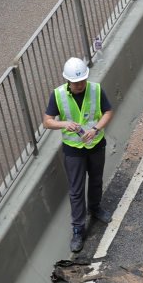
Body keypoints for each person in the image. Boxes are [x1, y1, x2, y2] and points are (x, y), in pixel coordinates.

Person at [44, 57, 115, 252]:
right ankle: (78, 229)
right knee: (76, 190)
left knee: (96, 180)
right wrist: (64, 123)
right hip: (73, 150)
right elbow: (47, 121)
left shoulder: (96, 90)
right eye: (76, 83)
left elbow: (108, 112)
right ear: (68, 81)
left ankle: (95, 208)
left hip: (96, 144)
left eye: (82, 81)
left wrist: (96, 127)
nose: (80, 85)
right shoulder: (58, 95)